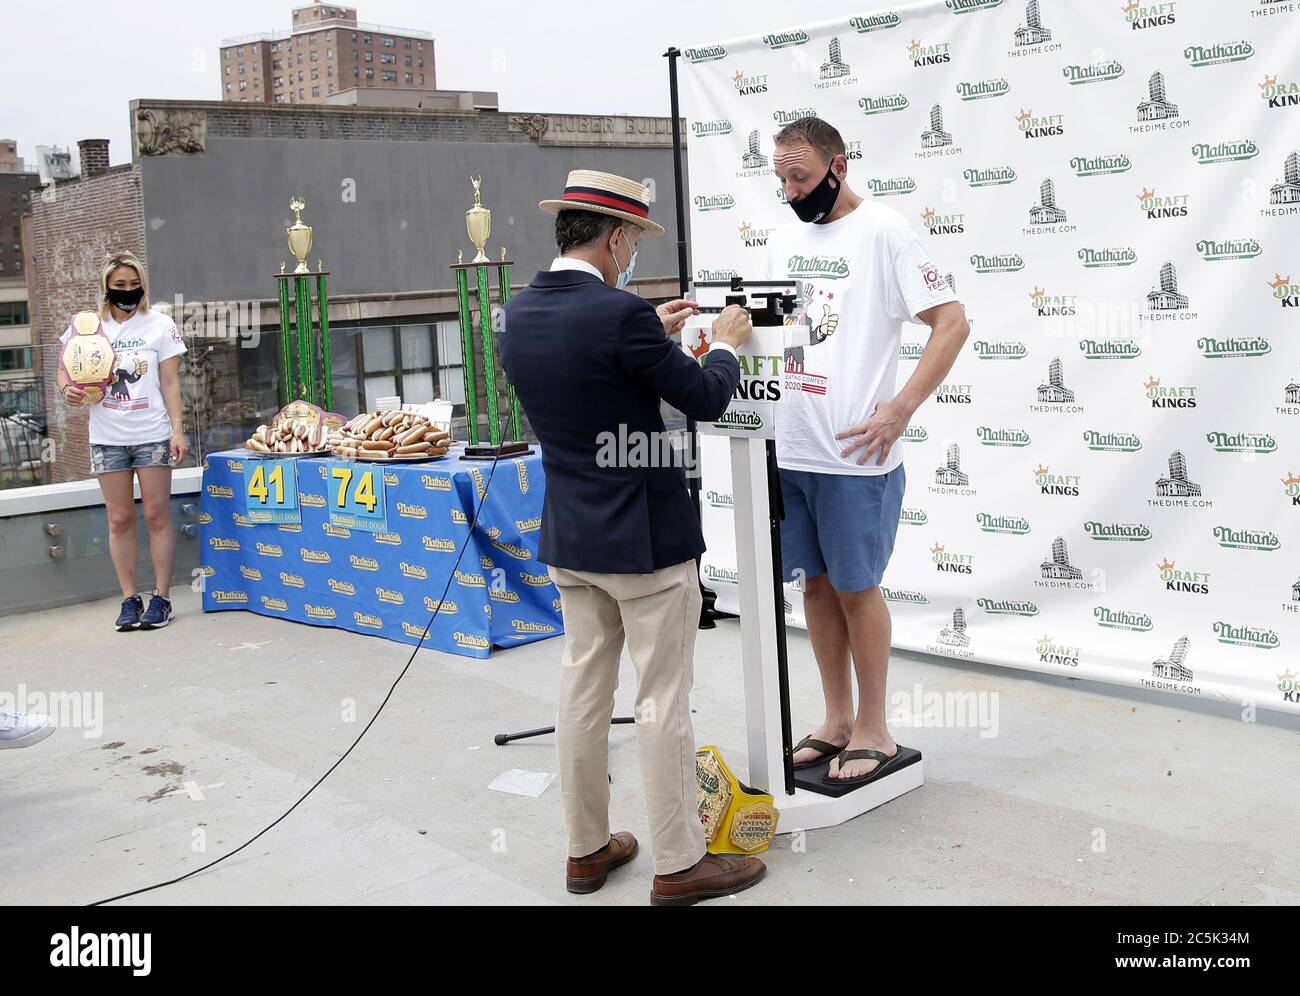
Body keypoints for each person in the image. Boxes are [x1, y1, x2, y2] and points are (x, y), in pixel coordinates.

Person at [502, 169, 765, 905]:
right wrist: (726, 345)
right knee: (661, 701)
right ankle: (680, 863)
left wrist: (645, 328)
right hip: (644, 543)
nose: (630, 256)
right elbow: (707, 397)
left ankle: (585, 851)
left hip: (572, 540)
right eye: (631, 242)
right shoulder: (619, 318)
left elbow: (586, 370)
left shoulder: (519, 314)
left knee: (582, 692)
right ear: (616, 237)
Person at [768, 117, 969, 785]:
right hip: (791, 444)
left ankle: (875, 728)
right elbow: (774, 326)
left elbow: (951, 320)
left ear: (839, 166)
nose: (792, 191)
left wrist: (901, 407)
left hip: (855, 452)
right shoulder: (782, 235)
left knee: (857, 589)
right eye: (782, 179)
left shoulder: (884, 231)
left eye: (800, 176)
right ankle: (836, 719)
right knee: (817, 587)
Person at [58, 250, 188, 631]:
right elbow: (65, 375)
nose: (128, 291)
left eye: (134, 284)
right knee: (118, 519)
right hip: (107, 436)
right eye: (120, 286)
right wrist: (68, 390)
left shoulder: (160, 325)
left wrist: (177, 429)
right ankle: (129, 599)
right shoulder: (87, 328)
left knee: (155, 514)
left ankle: (161, 598)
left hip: (151, 433)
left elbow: (169, 381)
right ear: (106, 288)